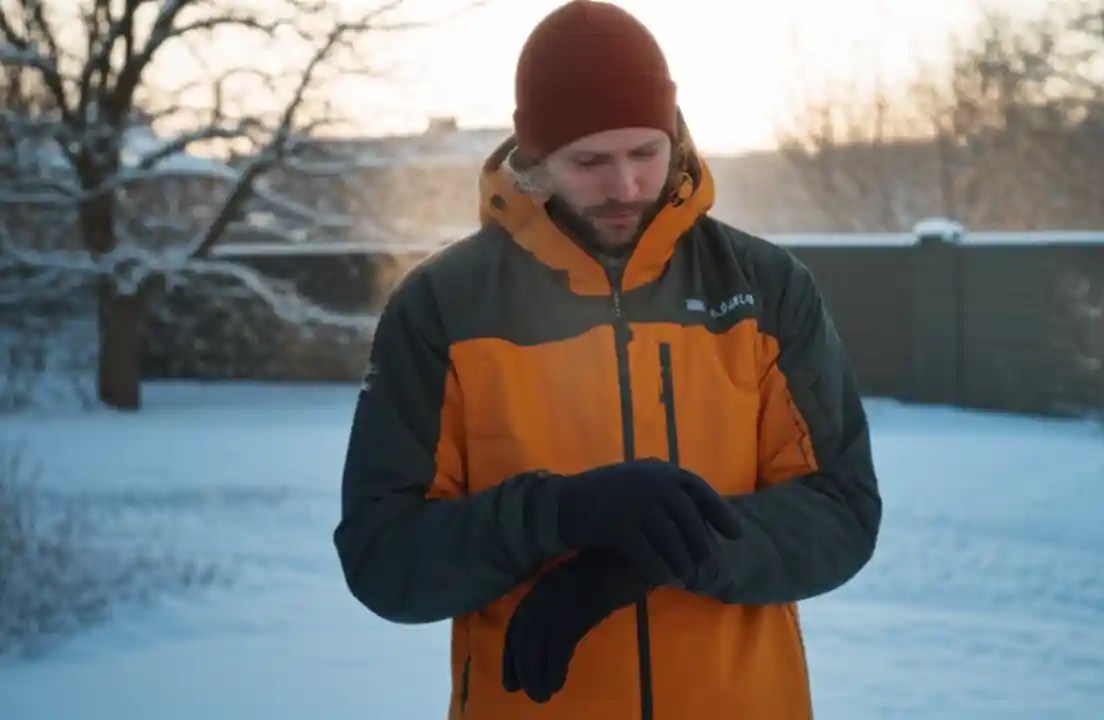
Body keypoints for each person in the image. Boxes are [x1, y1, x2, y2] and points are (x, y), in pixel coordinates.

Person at [333, 2, 882, 718]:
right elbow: (386, 557)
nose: (624, 187)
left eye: (645, 152)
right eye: (589, 161)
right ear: (535, 158)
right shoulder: (443, 307)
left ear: (676, 137)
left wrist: (636, 562)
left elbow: (840, 511)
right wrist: (558, 514)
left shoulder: (763, 290)